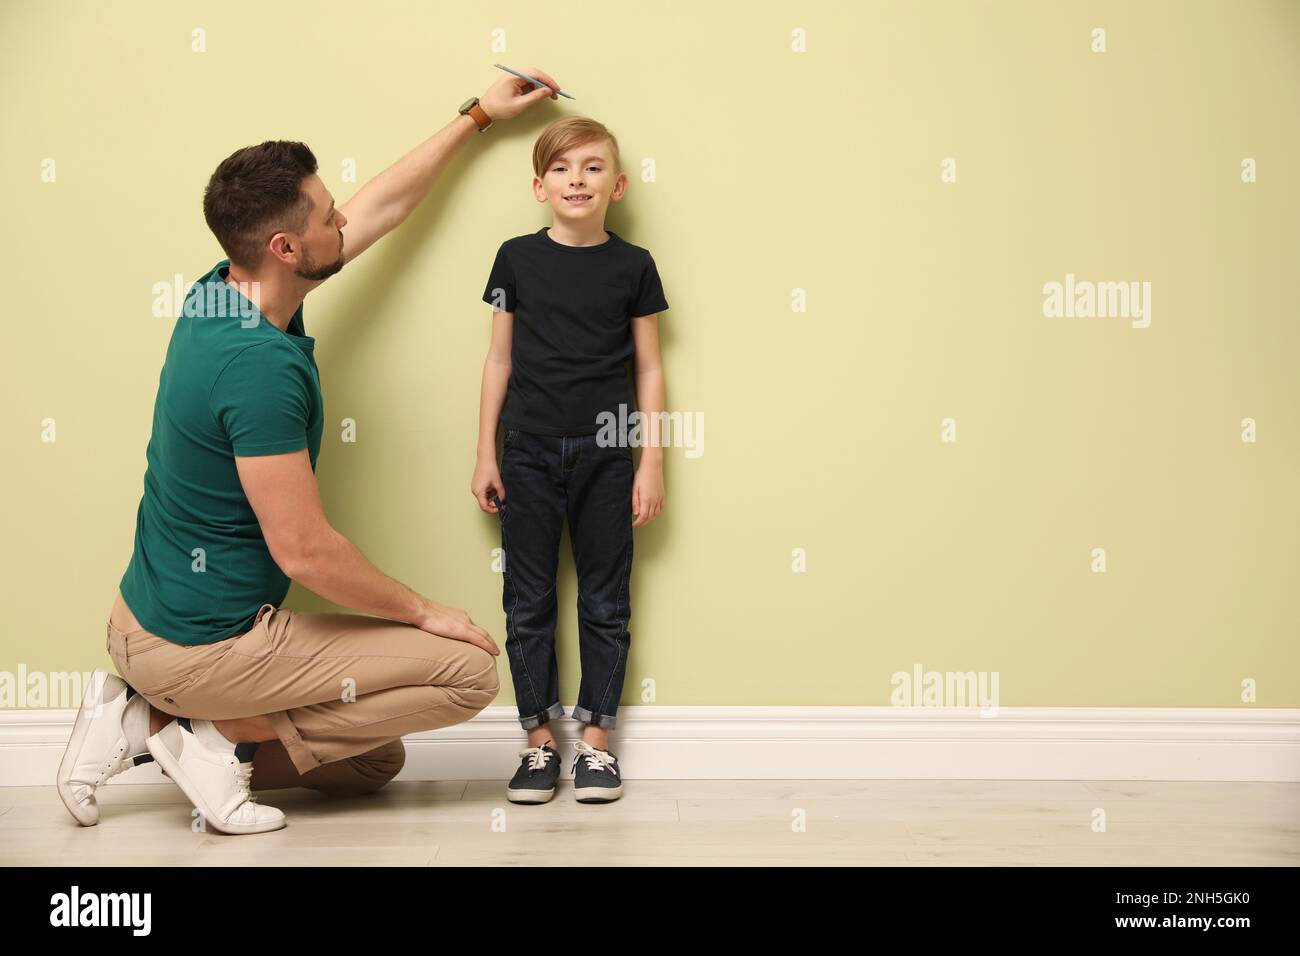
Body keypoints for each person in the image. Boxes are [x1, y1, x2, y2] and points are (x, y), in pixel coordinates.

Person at [57, 68, 563, 835]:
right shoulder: (255, 366)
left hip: (146, 627)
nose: (344, 221)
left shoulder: (224, 289)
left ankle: (146, 724)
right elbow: (306, 554)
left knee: (370, 760)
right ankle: (195, 731)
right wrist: (427, 613)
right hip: (199, 646)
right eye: (328, 215)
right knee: (464, 674)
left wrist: (477, 119)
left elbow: (379, 210)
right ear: (288, 247)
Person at [470, 117, 669, 804]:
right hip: (525, 451)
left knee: (605, 601)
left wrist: (651, 462)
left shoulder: (634, 266)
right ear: (538, 185)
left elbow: (649, 368)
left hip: (610, 452)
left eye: (591, 168)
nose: (576, 179)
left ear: (616, 186)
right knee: (528, 602)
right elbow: (498, 358)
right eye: (561, 168)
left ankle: (596, 746)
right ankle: (537, 743)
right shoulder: (514, 260)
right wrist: (484, 454)